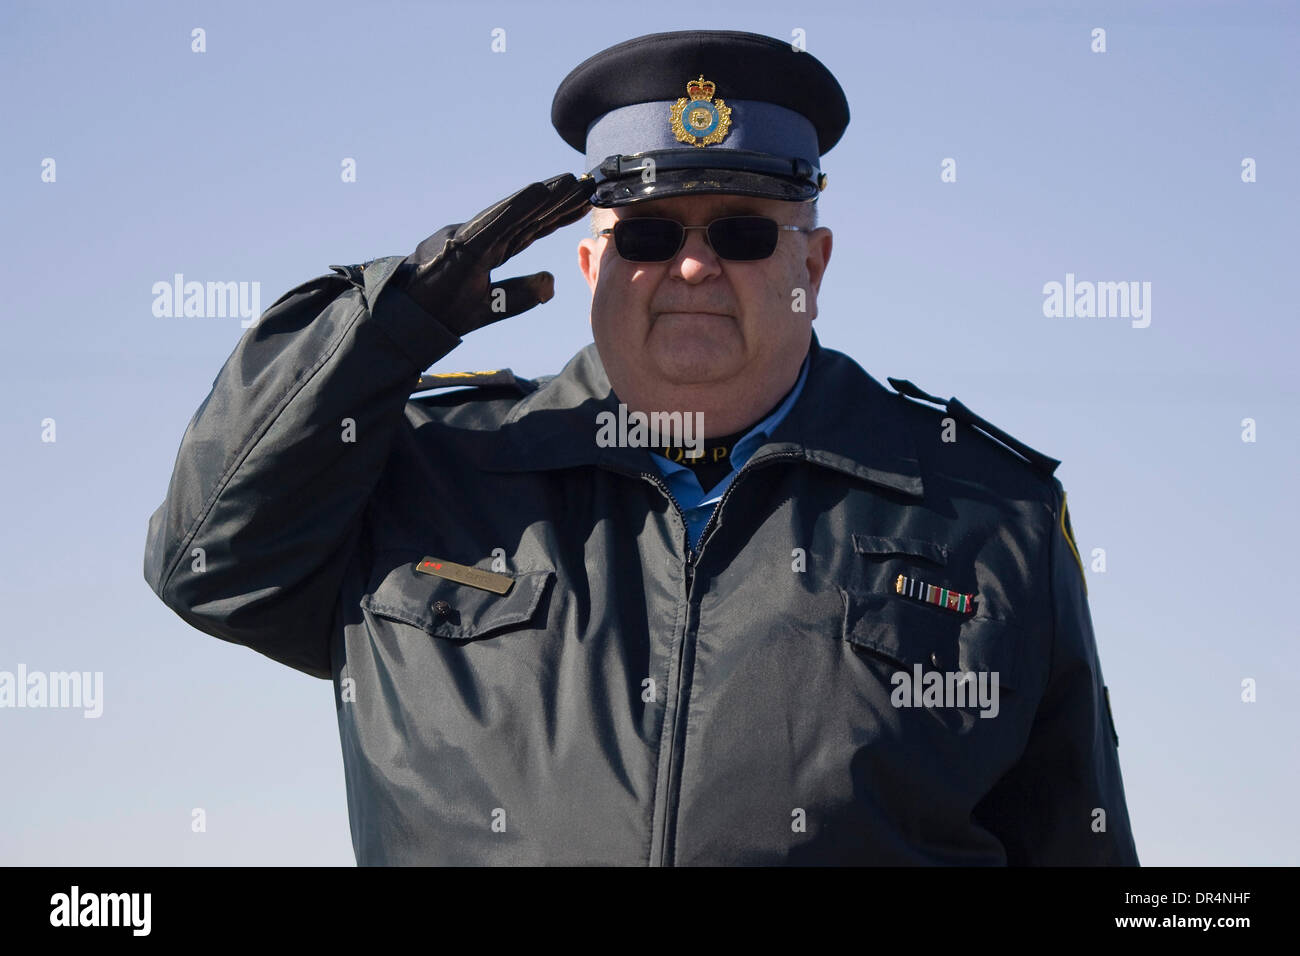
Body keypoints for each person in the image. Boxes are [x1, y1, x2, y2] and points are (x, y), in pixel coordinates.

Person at [143, 30, 1138, 865]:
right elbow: (206, 565)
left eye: (744, 232)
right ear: (590, 262)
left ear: (814, 262)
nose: (694, 263)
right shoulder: (419, 470)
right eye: (649, 235)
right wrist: (382, 328)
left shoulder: (985, 511)